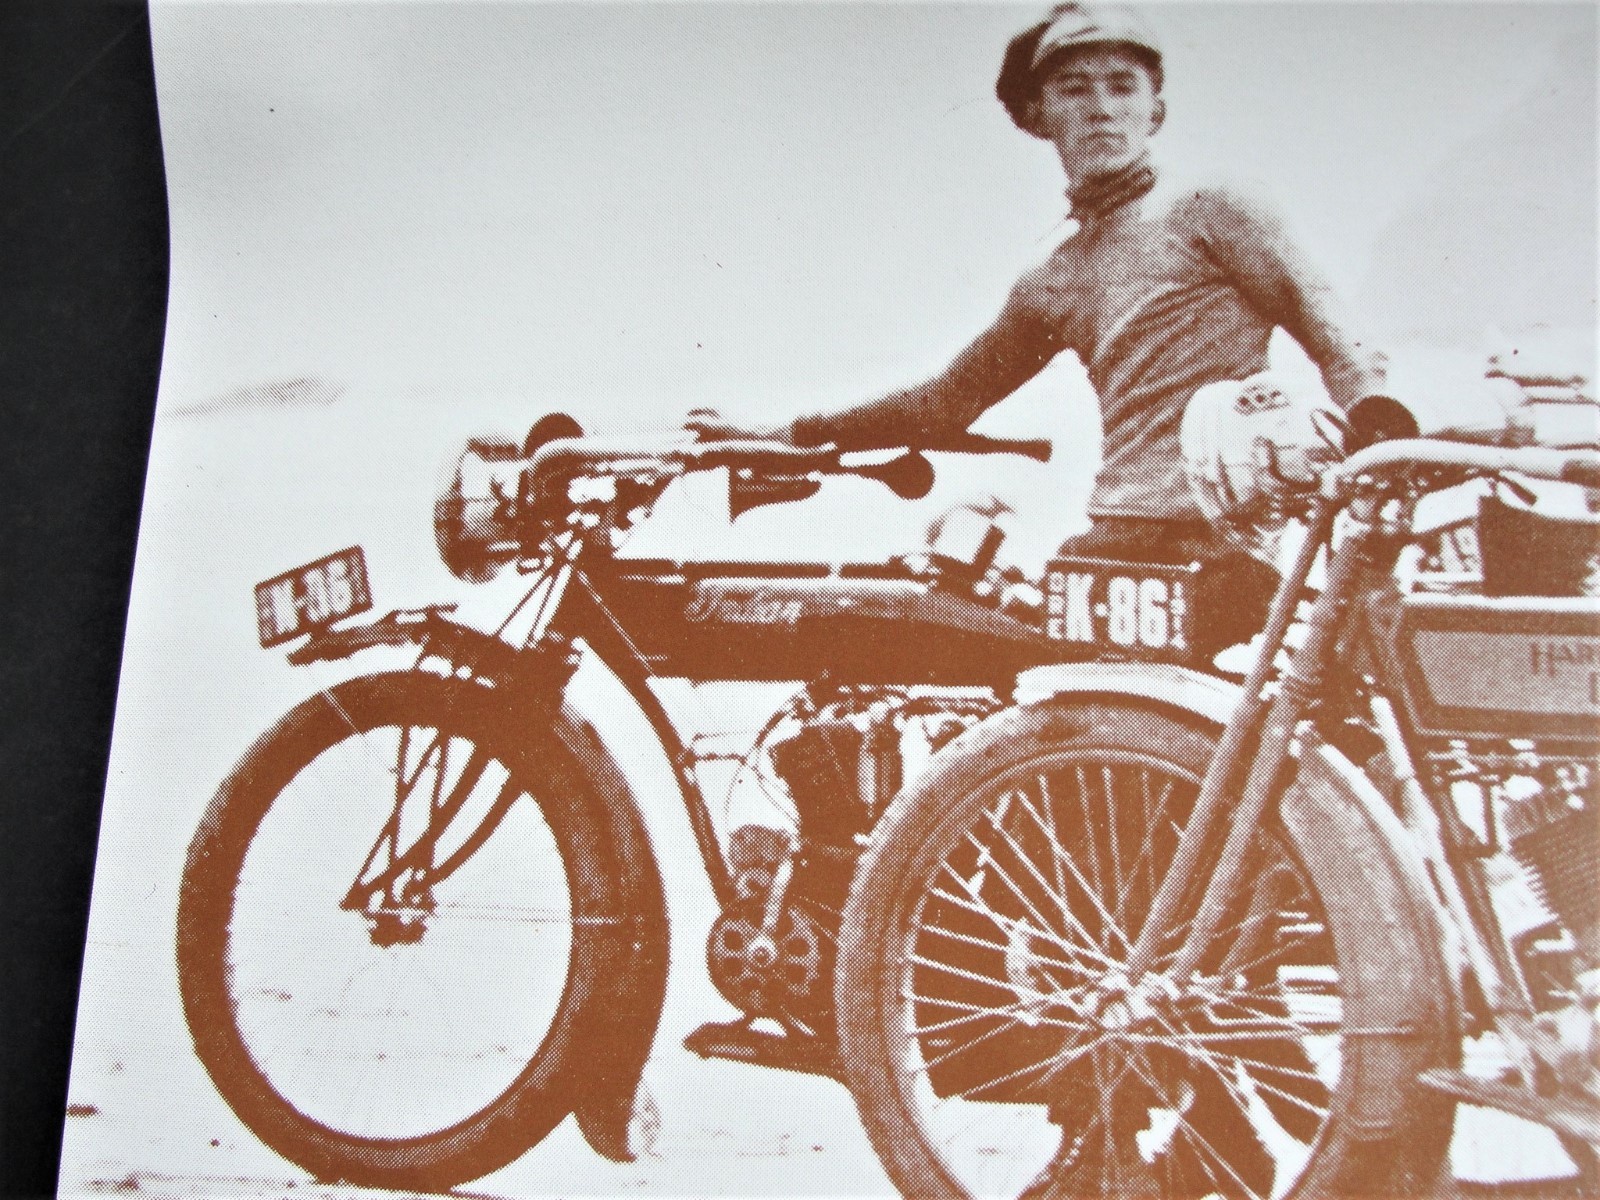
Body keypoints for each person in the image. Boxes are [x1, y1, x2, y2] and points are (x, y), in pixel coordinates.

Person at [693, 1, 1414, 658]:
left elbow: (1336, 335)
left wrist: (1380, 436)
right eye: (1075, 90)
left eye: (1121, 86)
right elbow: (946, 404)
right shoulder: (1055, 279)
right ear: (1039, 114)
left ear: (1155, 110)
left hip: (1222, 548)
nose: (1102, 109)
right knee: (972, 681)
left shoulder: (1212, 212)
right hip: (1113, 545)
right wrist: (780, 436)